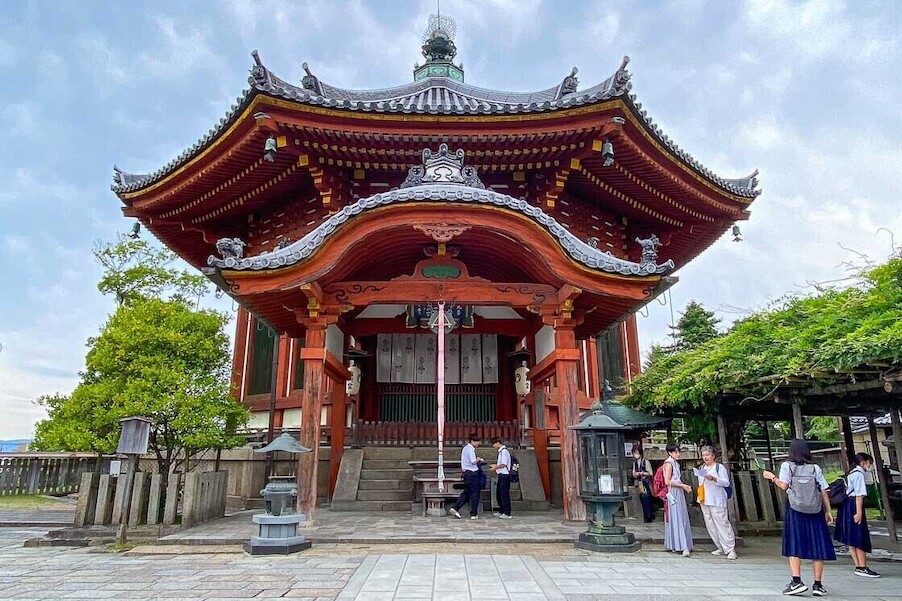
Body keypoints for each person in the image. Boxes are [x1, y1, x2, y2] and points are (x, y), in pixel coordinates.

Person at [763, 439, 835, 597]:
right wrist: (828, 511)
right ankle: (818, 584)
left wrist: (772, 477)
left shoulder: (787, 466)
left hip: (795, 509)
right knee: (817, 545)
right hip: (815, 510)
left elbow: (784, 486)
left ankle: (796, 581)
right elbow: (824, 490)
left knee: (794, 543)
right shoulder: (815, 468)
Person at [835, 452, 880, 578]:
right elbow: (859, 495)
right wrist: (859, 512)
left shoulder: (851, 473)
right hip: (854, 505)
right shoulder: (859, 475)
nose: (870, 466)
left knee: (852, 538)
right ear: (863, 462)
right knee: (859, 537)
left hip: (846, 506)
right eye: (870, 463)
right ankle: (862, 567)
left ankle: (858, 566)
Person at [697, 445, 737, 560]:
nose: (705, 457)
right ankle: (719, 546)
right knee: (710, 524)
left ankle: (730, 548)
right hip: (705, 498)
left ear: (713, 456)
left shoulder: (719, 468)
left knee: (722, 523)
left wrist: (714, 478)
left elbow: (726, 482)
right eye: (704, 455)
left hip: (717, 499)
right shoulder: (702, 468)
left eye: (707, 455)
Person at [663, 443, 693, 557]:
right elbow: (667, 481)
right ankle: (681, 545)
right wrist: (683, 486)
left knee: (681, 516)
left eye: (678, 451)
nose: (678, 454)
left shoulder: (675, 463)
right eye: (675, 452)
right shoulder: (669, 464)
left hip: (678, 490)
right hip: (673, 491)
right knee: (677, 516)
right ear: (670, 453)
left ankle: (679, 543)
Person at [449, 434, 483, 520]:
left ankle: (456, 507)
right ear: (472, 441)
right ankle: (473, 513)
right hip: (472, 473)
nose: (478, 443)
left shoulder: (465, 448)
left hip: (466, 473)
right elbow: (473, 461)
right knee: (474, 494)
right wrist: (478, 459)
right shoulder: (470, 449)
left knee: (466, 492)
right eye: (477, 442)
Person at [490, 436, 513, 519]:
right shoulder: (501, 452)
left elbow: (503, 464)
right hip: (501, 474)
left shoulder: (504, 451)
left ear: (498, 443)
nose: (493, 446)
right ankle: (502, 510)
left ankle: (507, 512)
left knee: (504, 494)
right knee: (499, 494)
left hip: (505, 475)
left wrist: (495, 468)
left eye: (494, 444)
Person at [631, 444, 655, 523]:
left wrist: (641, 473)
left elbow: (650, 473)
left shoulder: (645, 462)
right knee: (642, 499)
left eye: (637, 452)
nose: (635, 455)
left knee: (647, 499)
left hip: (646, 483)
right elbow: (633, 472)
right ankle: (646, 516)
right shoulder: (634, 463)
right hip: (639, 483)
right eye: (634, 453)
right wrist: (635, 474)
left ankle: (649, 516)